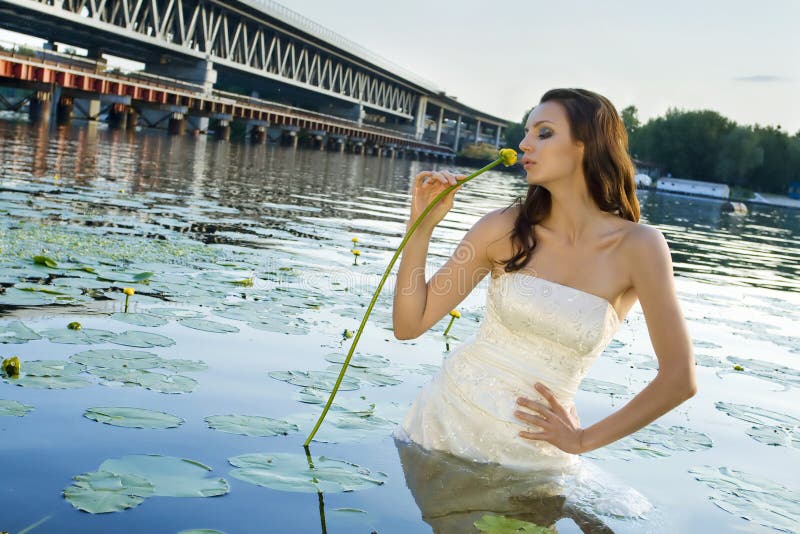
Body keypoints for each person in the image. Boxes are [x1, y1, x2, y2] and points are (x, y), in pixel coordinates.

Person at [392, 88, 697, 472]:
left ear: (586, 145)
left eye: (544, 133)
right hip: (443, 426)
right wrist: (420, 226)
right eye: (526, 132)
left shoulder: (640, 247)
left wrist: (583, 440)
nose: (524, 144)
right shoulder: (502, 227)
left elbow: (679, 379)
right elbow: (409, 325)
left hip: (537, 454)